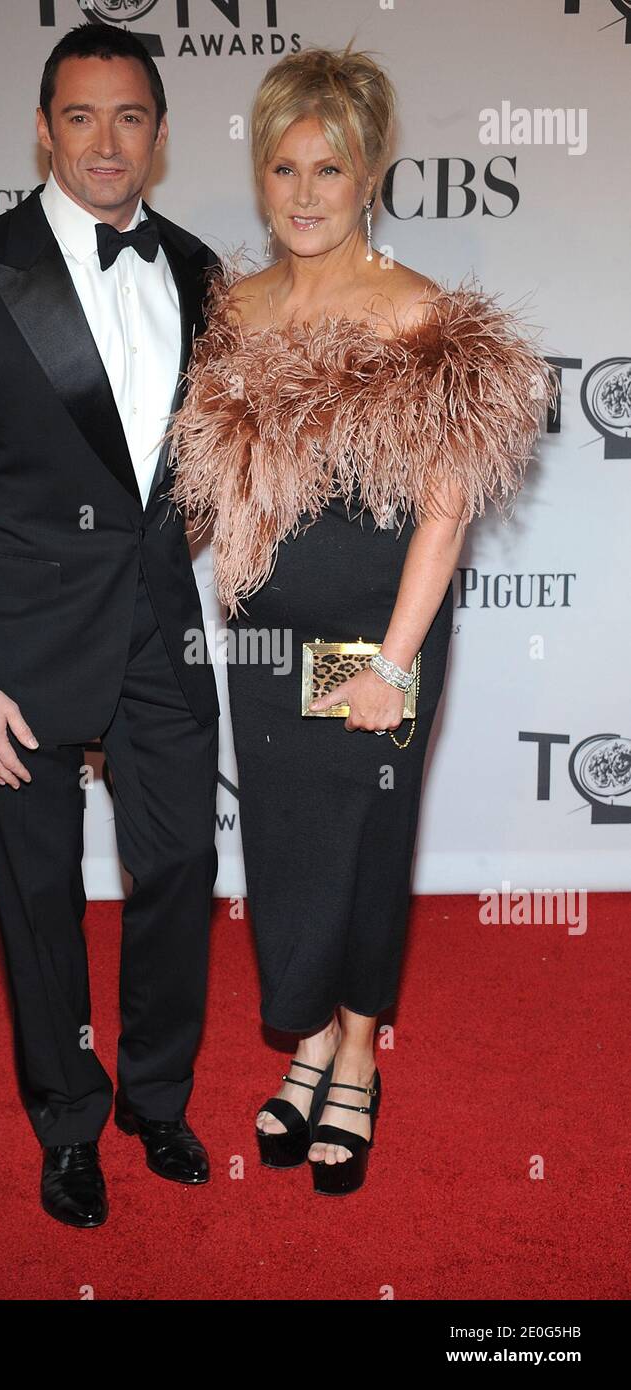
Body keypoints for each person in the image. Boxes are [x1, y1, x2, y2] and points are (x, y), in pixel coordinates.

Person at [166, 44, 557, 1196]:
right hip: (266, 635)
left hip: (368, 635)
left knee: (362, 847)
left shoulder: (417, 315)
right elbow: (208, 479)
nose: (303, 194)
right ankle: (301, 1039)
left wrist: (393, 660)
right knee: (287, 845)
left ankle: (351, 1056)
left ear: (370, 169)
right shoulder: (234, 309)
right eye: (283, 168)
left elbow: (445, 515)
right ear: (260, 173)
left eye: (327, 169)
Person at [0, 22, 221, 1229]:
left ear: (160, 134)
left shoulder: (197, 268)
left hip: (158, 630)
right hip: (16, 646)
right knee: (38, 892)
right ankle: (70, 1120)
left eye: (130, 116)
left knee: (182, 860)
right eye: (80, 117)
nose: (105, 142)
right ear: (44, 127)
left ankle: (158, 1095)